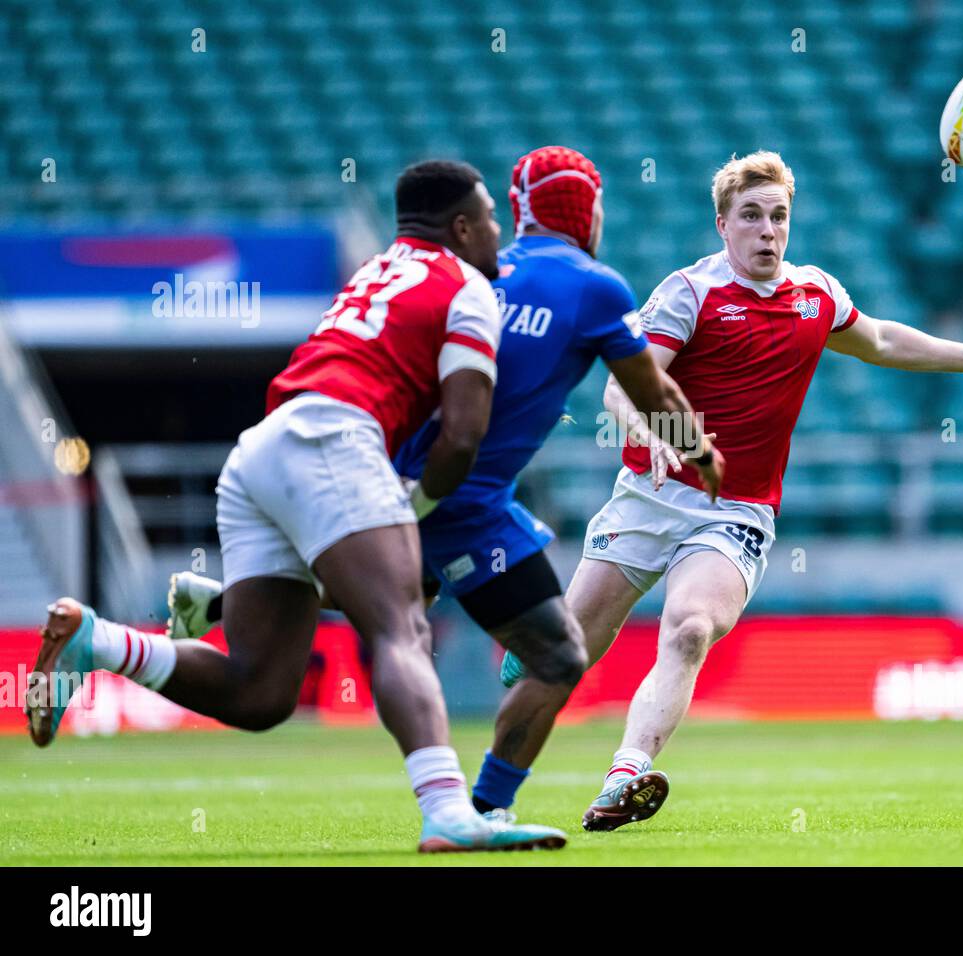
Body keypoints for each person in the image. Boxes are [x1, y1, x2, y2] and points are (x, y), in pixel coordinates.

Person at [496, 150, 963, 831]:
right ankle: (490, 802)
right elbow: (620, 388)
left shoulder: (816, 295)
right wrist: (661, 428)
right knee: (563, 655)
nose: (768, 230)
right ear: (723, 225)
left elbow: (878, 339)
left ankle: (625, 775)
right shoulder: (689, 293)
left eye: (779, 217)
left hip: (735, 510)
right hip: (648, 496)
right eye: (752, 217)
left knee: (691, 629)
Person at [24, 159, 566, 853]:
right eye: (491, 219)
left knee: (259, 692)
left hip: (260, 452)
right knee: (400, 627)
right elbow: (464, 434)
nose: (500, 233)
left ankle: (99, 642)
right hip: (335, 439)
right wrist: (417, 504)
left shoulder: (375, 271)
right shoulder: (465, 286)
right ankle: (448, 811)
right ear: (461, 227)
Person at [165, 146, 722, 818]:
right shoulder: (595, 285)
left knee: (408, 593)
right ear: (589, 210)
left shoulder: (473, 275)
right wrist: (698, 453)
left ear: (520, 212)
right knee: (555, 653)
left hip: (385, 468)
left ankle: (224, 606)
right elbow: (653, 392)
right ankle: (485, 807)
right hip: (465, 499)